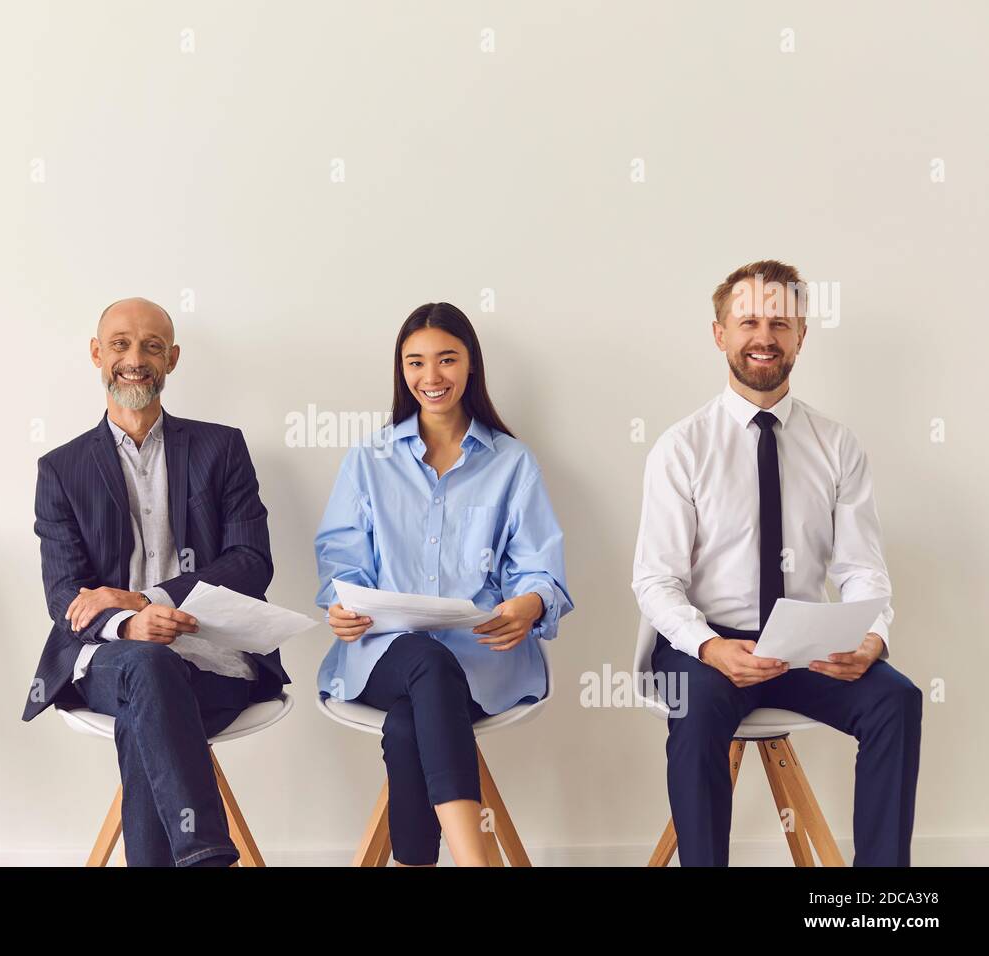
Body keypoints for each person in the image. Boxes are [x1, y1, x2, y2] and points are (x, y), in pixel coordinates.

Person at [632, 260, 921, 866]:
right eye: (748, 321)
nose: (764, 336)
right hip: (702, 646)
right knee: (697, 708)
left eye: (780, 323)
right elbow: (656, 581)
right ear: (720, 333)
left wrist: (872, 636)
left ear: (801, 336)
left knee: (897, 700)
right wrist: (709, 647)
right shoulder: (682, 448)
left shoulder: (836, 445)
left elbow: (862, 567)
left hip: (799, 644)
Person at [21, 297, 289, 866]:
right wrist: (129, 622)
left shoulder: (222, 449)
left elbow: (251, 561)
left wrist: (150, 598)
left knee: (149, 713)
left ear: (172, 358)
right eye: (120, 344)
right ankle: (207, 853)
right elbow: (63, 594)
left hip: (213, 659)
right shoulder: (62, 470)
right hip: (111, 658)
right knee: (148, 664)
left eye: (151, 346)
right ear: (97, 353)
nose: (134, 359)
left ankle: (200, 853)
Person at [315, 301, 573, 867]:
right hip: (381, 653)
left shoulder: (513, 462)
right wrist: (341, 604)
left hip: (480, 656)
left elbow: (539, 569)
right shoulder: (369, 460)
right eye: (415, 363)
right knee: (424, 665)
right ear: (401, 371)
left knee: (411, 725)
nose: (431, 378)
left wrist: (529, 604)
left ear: (471, 365)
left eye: (447, 360)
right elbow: (342, 563)